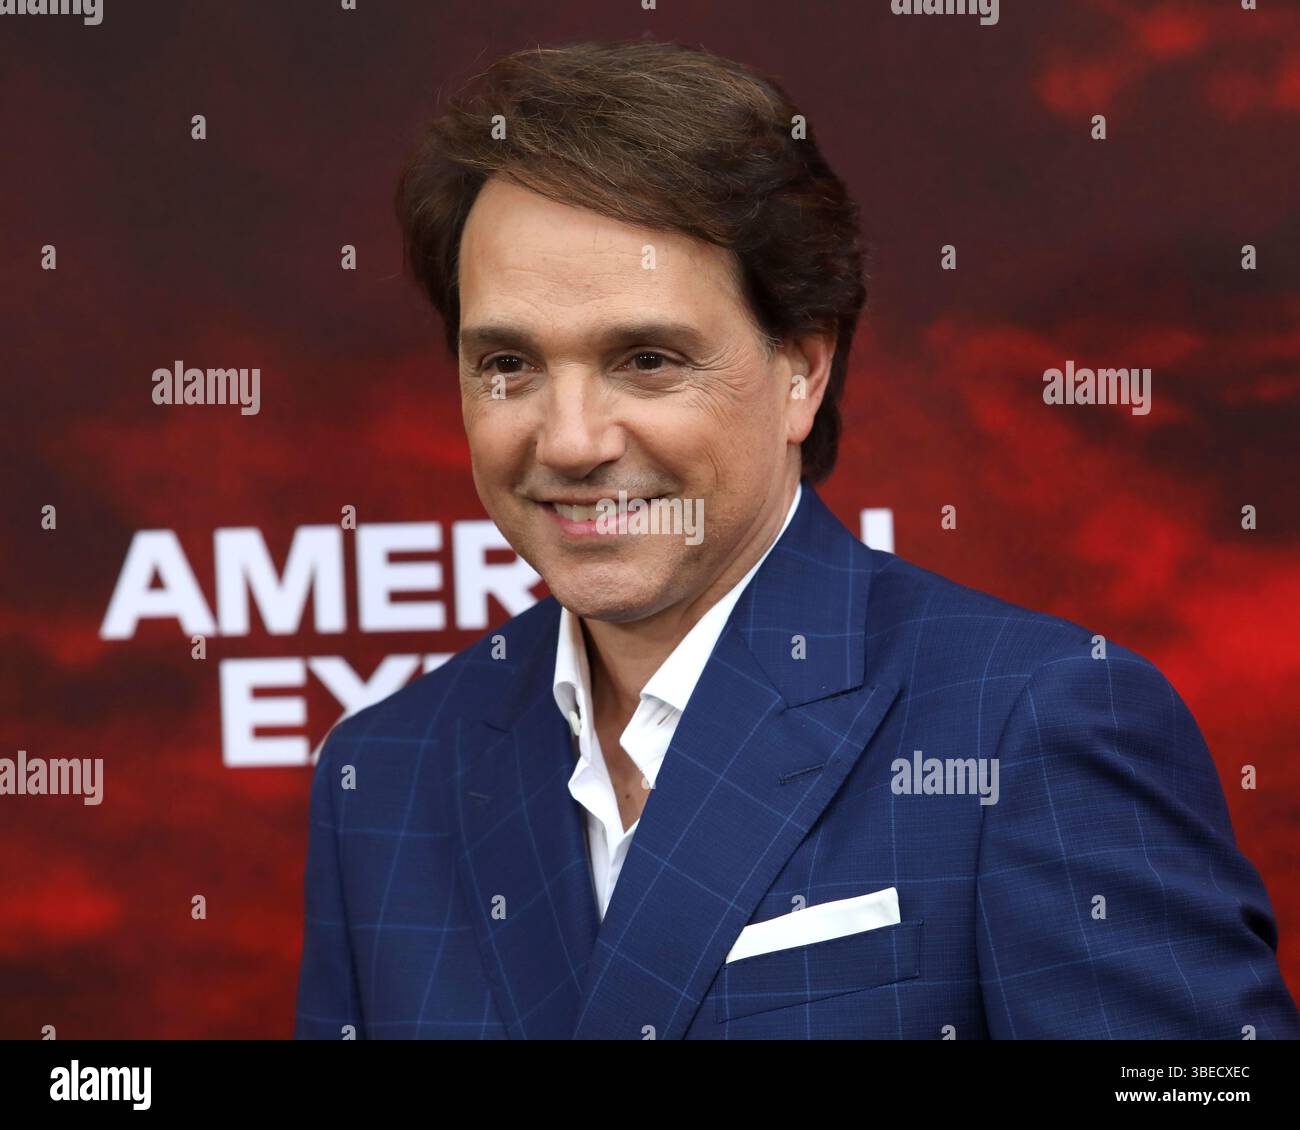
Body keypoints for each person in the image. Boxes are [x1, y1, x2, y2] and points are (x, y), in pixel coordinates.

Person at [294, 40, 1300, 1039]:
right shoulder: (382, 777)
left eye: (645, 358)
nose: (569, 440)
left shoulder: (1033, 723)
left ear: (802, 370)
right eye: (508, 362)